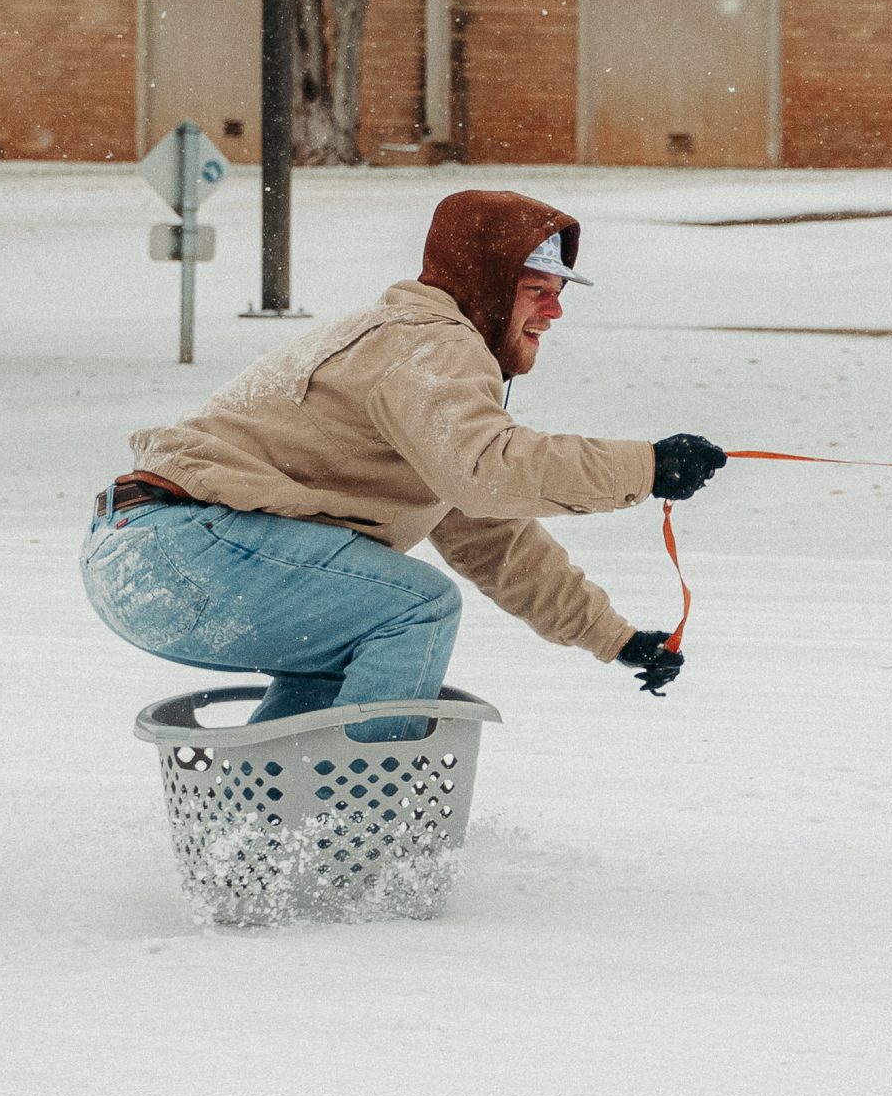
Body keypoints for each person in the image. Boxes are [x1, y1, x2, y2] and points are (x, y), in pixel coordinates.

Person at [80, 189, 727, 739]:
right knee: (417, 608)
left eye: (559, 292)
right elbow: (487, 469)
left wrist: (613, 637)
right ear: (485, 285)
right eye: (536, 290)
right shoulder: (430, 344)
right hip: (182, 547)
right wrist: (648, 467)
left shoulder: (425, 367)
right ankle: (359, 827)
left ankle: (267, 838)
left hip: (150, 558)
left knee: (352, 651)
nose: (554, 311)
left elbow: (492, 535)